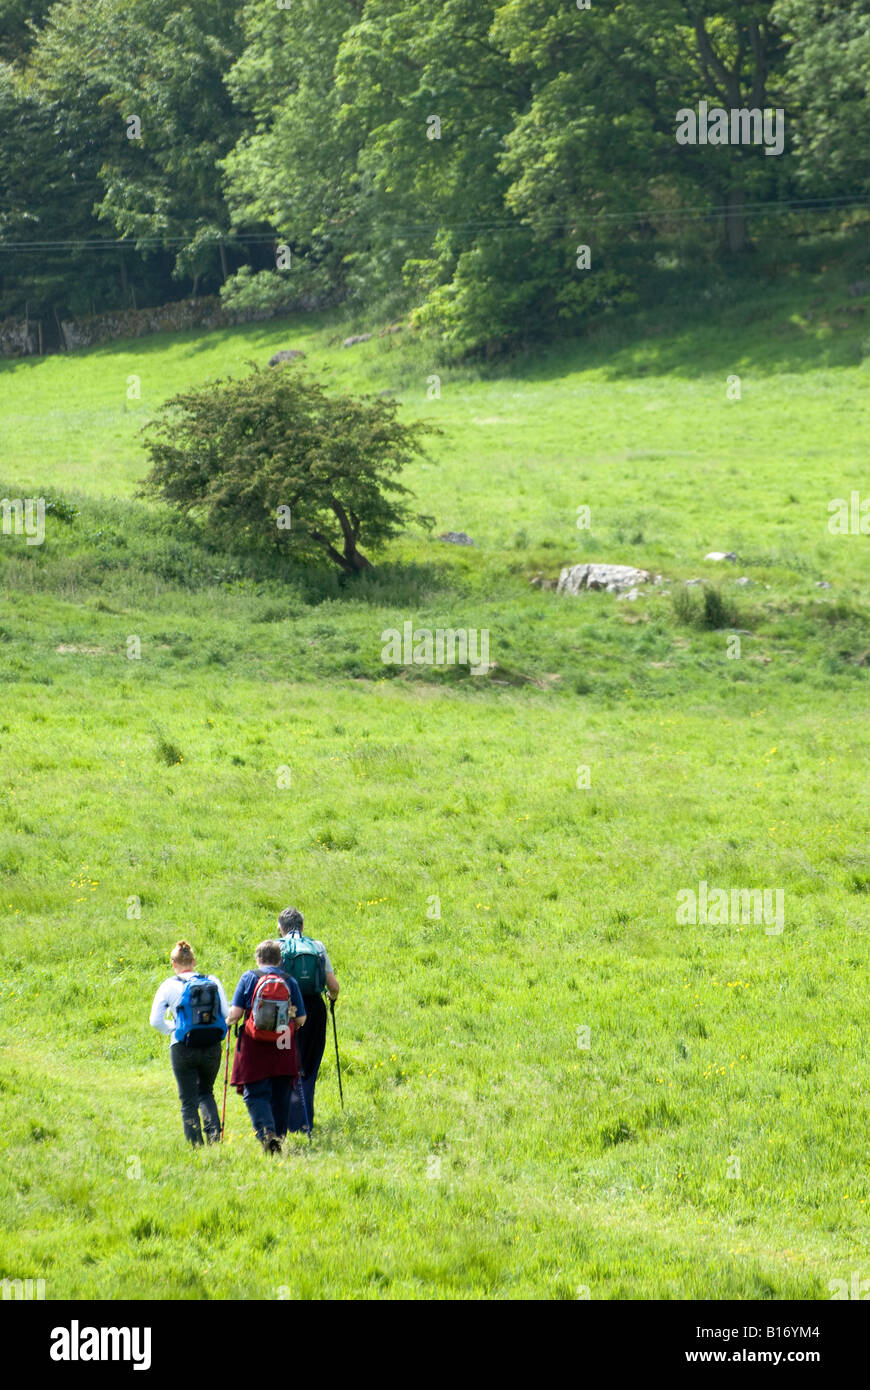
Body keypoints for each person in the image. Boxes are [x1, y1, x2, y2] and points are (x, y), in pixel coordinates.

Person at [226, 940, 306, 1154]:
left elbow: (234, 1014)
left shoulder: (249, 977)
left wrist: (229, 1021)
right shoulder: (289, 981)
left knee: (255, 1093)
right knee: (281, 1093)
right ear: (280, 960)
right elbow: (301, 1019)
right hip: (283, 1044)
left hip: (255, 1045)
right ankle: (278, 1138)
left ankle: (266, 1133)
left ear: (258, 958)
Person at [149, 940, 229, 1147]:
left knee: (188, 1100)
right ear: (193, 961)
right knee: (206, 1092)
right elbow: (226, 1015)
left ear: (173, 963)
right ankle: (214, 1141)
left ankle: (196, 1146)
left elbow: (155, 1021)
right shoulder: (213, 981)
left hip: (182, 1046)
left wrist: (175, 1029)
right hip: (211, 1045)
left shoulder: (168, 986)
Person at [276, 907, 339, 1134]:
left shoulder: (276, 947)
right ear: (302, 926)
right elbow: (333, 987)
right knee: (309, 1067)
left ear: (280, 928)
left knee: (286, 1064)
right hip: (314, 1010)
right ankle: (305, 1123)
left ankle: (288, 1123)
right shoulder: (317, 947)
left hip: (285, 1013)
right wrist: (332, 998)